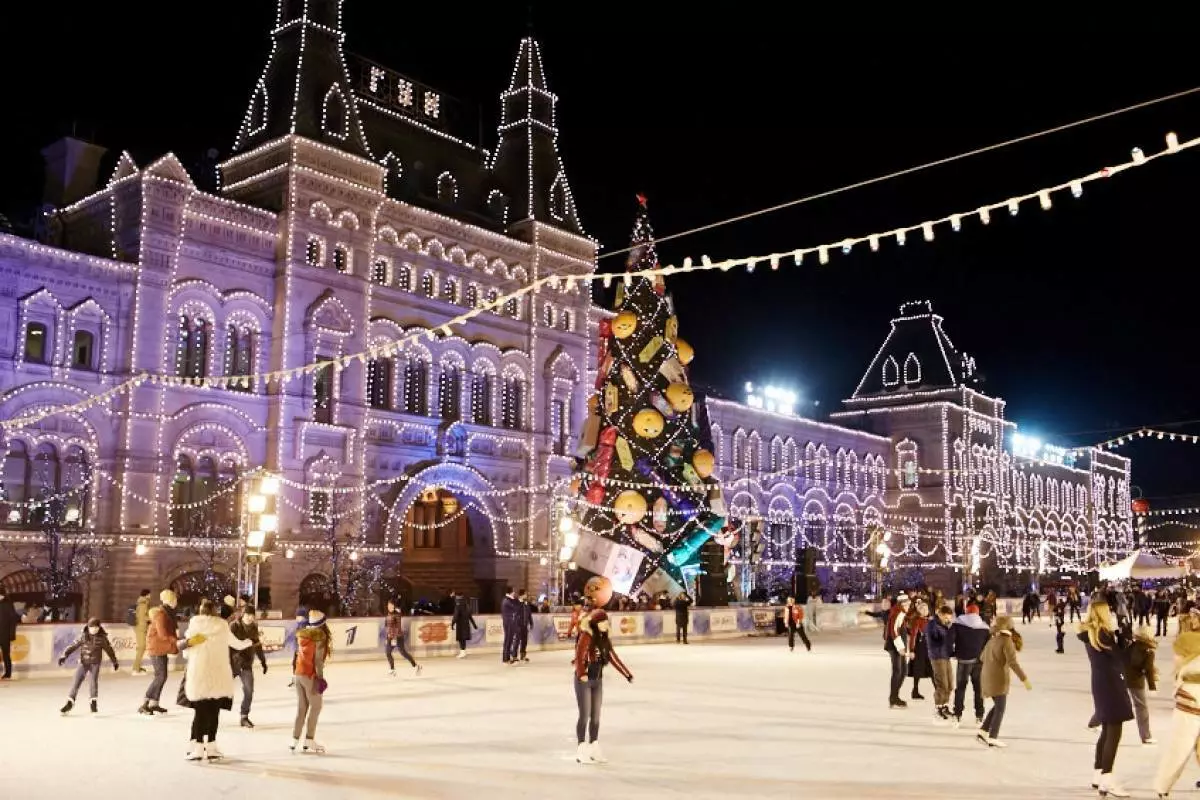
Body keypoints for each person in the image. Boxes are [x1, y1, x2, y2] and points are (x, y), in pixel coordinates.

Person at [181, 598, 253, 761]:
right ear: (215, 611)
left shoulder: (195, 625)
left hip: (199, 674)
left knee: (200, 713)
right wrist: (249, 642)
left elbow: (187, 650)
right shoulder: (222, 626)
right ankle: (212, 746)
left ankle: (198, 747)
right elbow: (237, 644)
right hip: (219, 674)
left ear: (200, 610)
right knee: (214, 712)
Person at [1080, 600, 1133, 798]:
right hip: (1111, 683)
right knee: (1114, 732)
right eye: (1108, 611)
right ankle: (1107, 781)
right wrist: (1125, 639)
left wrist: (1119, 637)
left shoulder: (1091, 633)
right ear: (1103, 613)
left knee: (1106, 730)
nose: (1111, 614)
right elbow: (1123, 659)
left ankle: (1098, 775)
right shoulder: (1103, 634)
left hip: (1100, 683)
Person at [573, 609, 633, 764]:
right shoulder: (587, 636)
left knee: (596, 717)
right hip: (584, 681)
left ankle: (594, 746)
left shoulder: (604, 639)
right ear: (596, 623)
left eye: (607, 621)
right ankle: (581, 748)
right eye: (603, 621)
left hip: (597, 681)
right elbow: (579, 656)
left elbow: (613, 657)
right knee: (584, 715)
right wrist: (581, 674)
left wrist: (626, 674)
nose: (607, 624)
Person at [1152, 613, 1200, 797]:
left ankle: (1162, 787)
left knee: (1179, 745)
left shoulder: (1185, 639)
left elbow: (1178, 666)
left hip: (1190, 696)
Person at [978, 616, 1031, 747]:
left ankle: (983, 731)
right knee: (1000, 708)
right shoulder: (1007, 641)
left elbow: (981, 657)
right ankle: (993, 736)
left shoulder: (992, 640)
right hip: (999, 679)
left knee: (997, 706)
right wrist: (1024, 679)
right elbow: (1013, 663)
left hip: (986, 677)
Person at [58, 617, 119, 714]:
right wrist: (64, 655)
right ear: (88, 627)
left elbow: (109, 650)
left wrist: (114, 661)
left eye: (96, 627)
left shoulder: (102, 638)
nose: (94, 629)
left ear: (99, 627)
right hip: (83, 662)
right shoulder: (83, 636)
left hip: (95, 663)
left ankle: (93, 702)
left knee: (93, 682)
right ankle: (70, 702)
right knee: (76, 682)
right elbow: (73, 646)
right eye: (92, 627)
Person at [292, 608, 332, 755]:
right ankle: (309, 739)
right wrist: (320, 678)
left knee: (302, 707)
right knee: (316, 706)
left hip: (298, 674)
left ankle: (294, 739)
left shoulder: (303, 635)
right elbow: (318, 662)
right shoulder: (319, 637)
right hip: (309, 675)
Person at [950, 601, 990, 728]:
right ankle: (979, 715)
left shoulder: (957, 625)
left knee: (961, 688)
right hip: (979, 661)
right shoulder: (984, 627)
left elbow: (949, 639)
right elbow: (988, 645)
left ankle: (957, 714)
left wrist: (952, 653)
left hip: (963, 660)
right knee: (978, 689)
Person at [139, 589, 180, 715]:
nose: (176, 602)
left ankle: (154, 703)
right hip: (156, 648)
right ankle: (145, 704)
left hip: (161, 648)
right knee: (160, 676)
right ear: (170, 600)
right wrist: (176, 641)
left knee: (162, 676)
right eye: (174, 599)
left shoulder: (168, 613)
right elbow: (162, 634)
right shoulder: (161, 614)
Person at [228, 605, 269, 729]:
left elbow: (257, 645)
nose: (251, 617)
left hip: (246, 664)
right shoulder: (234, 626)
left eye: (253, 615)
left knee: (249, 690)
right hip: (232, 664)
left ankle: (244, 716)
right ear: (243, 614)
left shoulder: (254, 627)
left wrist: (263, 661)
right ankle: (211, 713)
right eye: (248, 615)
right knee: (221, 690)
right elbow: (228, 645)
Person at [1127, 624, 1159, 745]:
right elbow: (1148, 670)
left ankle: (1096, 721)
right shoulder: (1148, 651)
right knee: (1141, 708)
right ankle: (1146, 736)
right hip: (1136, 682)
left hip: (1123, 678)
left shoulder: (1130, 646)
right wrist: (1152, 687)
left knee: (1114, 702)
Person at [884, 593, 912, 709]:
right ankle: (893, 698)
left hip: (897, 646)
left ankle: (894, 696)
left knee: (903, 671)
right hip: (895, 646)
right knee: (898, 671)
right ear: (902, 604)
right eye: (907, 604)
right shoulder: (898, 613)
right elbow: (894, 631)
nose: (908, 606)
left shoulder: (899, 612)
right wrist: (900, 647)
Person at [927, 605, 955, 721]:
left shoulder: (943, 625)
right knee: (942, 684)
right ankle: (938, 707)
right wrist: (947, 635)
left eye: (949, 618)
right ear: (941, 614)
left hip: (945, 656)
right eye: (947, 617)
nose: (948, 620)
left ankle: (945, 706)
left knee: (949, 684)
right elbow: (935, 639)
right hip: (937, 656)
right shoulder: (933, 624)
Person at [384, 599, 421, 676]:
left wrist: (394, 638)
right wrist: (387, 636)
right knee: (388, 653)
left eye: (390, 605)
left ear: (394, 606)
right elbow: (387, 626)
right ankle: (392, 669)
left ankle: (416, 666)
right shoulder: (388, 614)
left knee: (403, 653)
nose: (389, 606)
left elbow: (397, 627)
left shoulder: (397, 615)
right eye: (388, 605)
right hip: (390, 637)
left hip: (398, 637)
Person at [908, 599, 932, 700]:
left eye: (926, 608)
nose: (925, 610)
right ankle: (915, 691)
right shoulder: (917, 621)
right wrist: (912, 650)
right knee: (918, 670)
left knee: (932, 669)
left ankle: (938, 690)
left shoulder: (928, 620)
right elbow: (913, 636)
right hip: (920, 648)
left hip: (928, 648)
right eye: (923, 609)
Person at [451, 593, 476, 658]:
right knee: (463, 639)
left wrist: (452, 623)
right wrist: (474, 624)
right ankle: (463, 652)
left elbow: (456, 616)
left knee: (461, 639)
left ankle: (462, 652)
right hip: (466, 624)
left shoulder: (458, 605)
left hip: (460, 624)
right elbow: (470, 616)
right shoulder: (466, 605)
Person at [132, 589, 151, 674]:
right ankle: (135, 668)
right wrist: (153, 618)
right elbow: (142, 617)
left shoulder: (142, 603)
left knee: (141, 647)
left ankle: (137, 667)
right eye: (149, 594)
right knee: (142, 647)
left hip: (140, 627)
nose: (150, 596)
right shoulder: (143, 604)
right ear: (146, 595)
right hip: (141, 628)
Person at [288, 607, 307, 688]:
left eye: (298, 616)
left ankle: (301, 681)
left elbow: (302, 638)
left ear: (303, 617)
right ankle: (296, 680)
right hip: (298, 650)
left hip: (301, 650)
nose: (296, 618)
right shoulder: (299, 625)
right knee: (295, 664)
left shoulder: (304, 626)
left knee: (299, 665)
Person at [0, 588, 17, 680]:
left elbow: (13, 621)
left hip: (5, 634)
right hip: (4, 634)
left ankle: (8, 673)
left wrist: (11, 634)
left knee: (6, 654)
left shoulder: (8, 604)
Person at [501, 587, 521, 664]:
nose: (514, 593)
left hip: (510, 622)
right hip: (508, 623)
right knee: (508, 640)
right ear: (510, 592)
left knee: (509, 640)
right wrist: (518, 601)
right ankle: (505, 659)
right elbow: (515, 608)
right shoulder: (506, 601)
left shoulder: (509, 600)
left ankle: (507, 658)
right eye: (513, 592)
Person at [516, 589, 533, 662]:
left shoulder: (526, 603)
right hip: (518, 625)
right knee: (516, 641)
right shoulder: (517, 603)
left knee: (524, 641)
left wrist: (531, 622)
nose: (527, 595)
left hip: (525, 625)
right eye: (525, 594)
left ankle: (523, 655)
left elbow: (529, 614)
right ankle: (514, 656)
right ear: (522, 595)